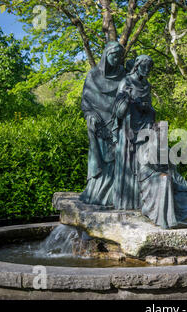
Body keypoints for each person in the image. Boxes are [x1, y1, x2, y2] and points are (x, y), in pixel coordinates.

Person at [79, 42, 126, 206]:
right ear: (106, 55)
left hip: (118, 122)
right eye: (114, 55)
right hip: (99, 123)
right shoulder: (93, 75)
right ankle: (97, 192)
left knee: (118, 157)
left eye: (119, 57)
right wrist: (90, 114)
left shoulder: (124, 75)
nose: (116, 59)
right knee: (102, 161)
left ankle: (116, 193)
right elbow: (86, 102)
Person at [136, 123, 187, 229]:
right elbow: (143, 170)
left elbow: (175, 174)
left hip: (171, 183)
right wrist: (159, 175)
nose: (165, 134)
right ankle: (164, 220)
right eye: (162, 131)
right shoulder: (147, 148)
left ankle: (181, 219)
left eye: (166, 131)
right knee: (165, 179)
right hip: (151, 184)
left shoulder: (167, 150)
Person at [111, 55, 156, 209]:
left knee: (144, 163)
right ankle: (127, 202)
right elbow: (118, 110)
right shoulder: (126, 82)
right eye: (146, 66)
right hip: (128, 129)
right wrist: (128, 100)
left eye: (150, 67)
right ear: (138, 65)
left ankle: (143, 201)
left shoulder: (147, 85)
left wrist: (146, 108)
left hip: (144, 127)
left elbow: (150, 107)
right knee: (128, 164)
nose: (148, 70)